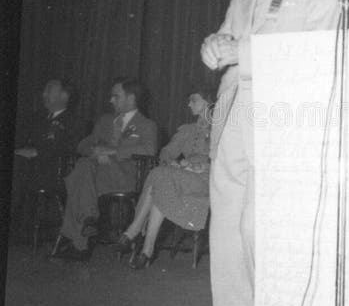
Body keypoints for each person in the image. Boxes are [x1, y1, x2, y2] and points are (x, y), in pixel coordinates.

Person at [198, 0, 340, 306]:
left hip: (284, 107)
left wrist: (243, 53)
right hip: (237, 103)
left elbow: (321, 46)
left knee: (265, 223)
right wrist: (214, 45)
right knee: (229, 216)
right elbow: (229, 31)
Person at [55, 77, 157, 261]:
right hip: (97, 174)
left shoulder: (147, 125)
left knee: (79, 174)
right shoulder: (104, 121)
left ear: (131, 98)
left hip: (125, 177)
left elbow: (149, 149)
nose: (110, 101)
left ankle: (80, 241)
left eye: (115, 97)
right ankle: (88, 220)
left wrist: (113, 151)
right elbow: (82, 145)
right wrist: (95, 151)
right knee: (84, 167)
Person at [111, 89, 212, 270]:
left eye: (193, 100)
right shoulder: (187, 130)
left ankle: (134, 230)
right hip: (181, 177)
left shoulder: (222, 130)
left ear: (208, 102)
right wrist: (174, 162)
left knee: (160, 177)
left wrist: (200, 166)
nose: (188, 104)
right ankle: (147, 250)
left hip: (207, 180)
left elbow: (226, 160)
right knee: (162, 179)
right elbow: (165, 152)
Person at [11, 79, 85, 235]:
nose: (43, 94)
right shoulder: (37, 118)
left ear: (64, 96)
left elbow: (72, 148)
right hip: (29, 168)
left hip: (55, 171)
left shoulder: (75, 121)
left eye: (49, 91)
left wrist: (39, 152)